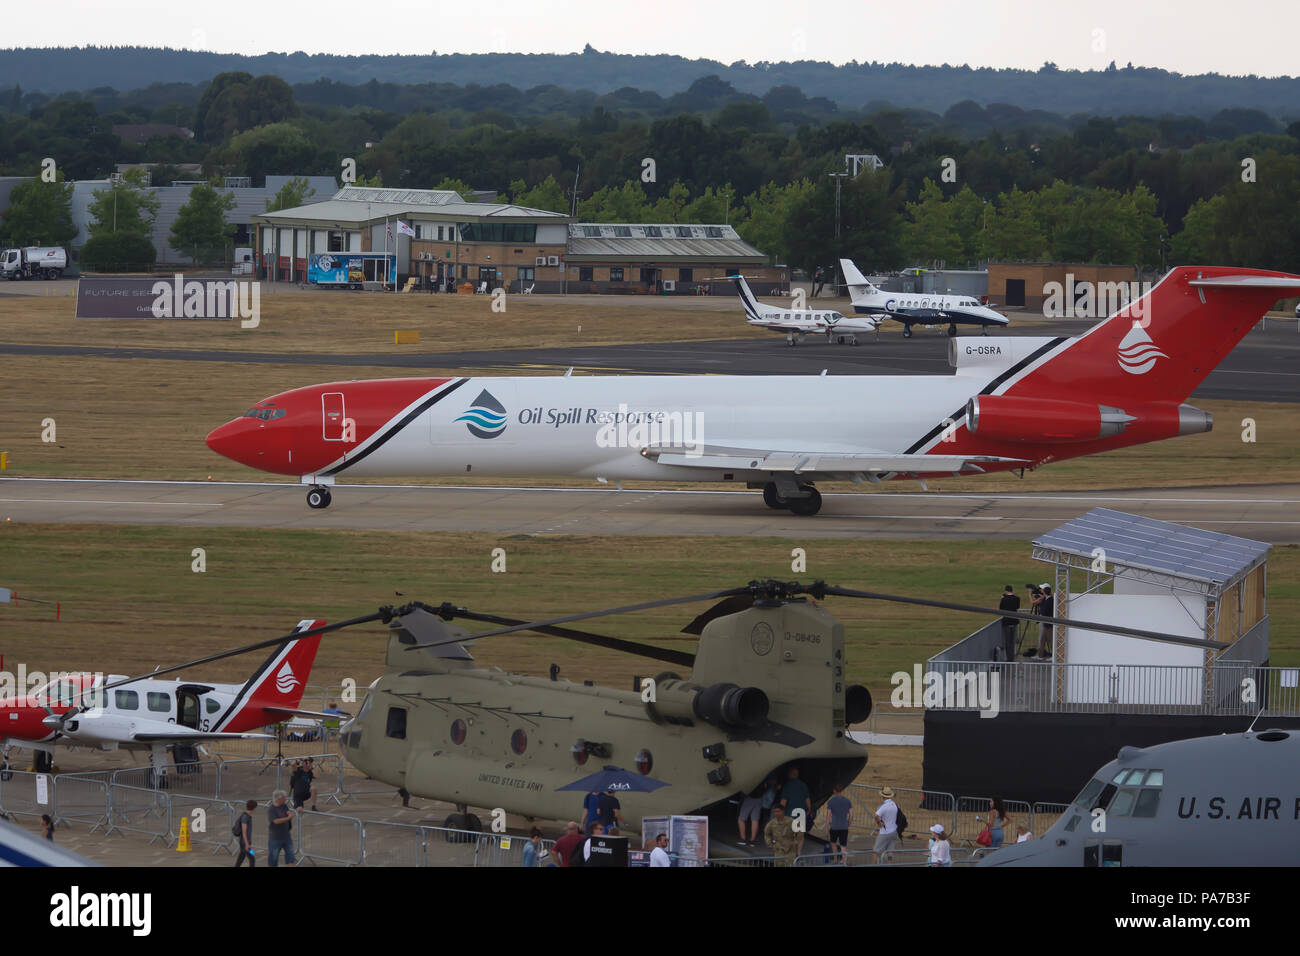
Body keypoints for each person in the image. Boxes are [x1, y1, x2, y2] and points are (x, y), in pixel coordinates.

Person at [779, 766, 811, 854]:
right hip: (801, 814)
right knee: (800, 835)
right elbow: (807, 799)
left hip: (790, 814)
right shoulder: (804, 785)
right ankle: (798, 853)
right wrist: (809, 809)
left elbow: (783, 801)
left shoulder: (787, 785)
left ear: (791, 774)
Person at [266, 790, 297, 866]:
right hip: (275, 838)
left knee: (291, 856)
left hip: (286, 836)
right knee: (274, 858)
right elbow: (275, 821)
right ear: (279, 799)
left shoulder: (284, 805)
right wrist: (288, 818)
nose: (285, 799)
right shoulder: (271, 809)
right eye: (284, 798)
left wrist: (290, 814)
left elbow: (287, 812)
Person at [825, 782, 853, 864]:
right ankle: (844, 862)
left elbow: (828, 816)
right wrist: (849, 824)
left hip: (834, 827)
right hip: (844, 827)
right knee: (843, 846)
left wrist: (826, 828)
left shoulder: (831, 802)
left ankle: (835, 860)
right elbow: (851, 815)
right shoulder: (848, 801)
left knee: (833, 844)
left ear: (834, 791)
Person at [873, 786, 900, 864]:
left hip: (885, 832)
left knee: (876, 851)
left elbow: (876, 815)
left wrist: (879, 823)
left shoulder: (884, 806)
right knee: (890, 851)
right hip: (894, 831)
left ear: (883, 796)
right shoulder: (895, 805)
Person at [998, 585, 1020, 662]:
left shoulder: (1004, 599)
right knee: (1013, 640)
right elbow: (1017, 607)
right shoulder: (1017, 598)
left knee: (1007, 641)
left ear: (1006, 591)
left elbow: (1001, 608)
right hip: (1014, 621)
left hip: (1006, 621)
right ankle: (1012, 656)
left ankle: (1009, 657)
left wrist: (1002, 599)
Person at [235, 799, 257, 867]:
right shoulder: (245, 817)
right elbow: (244, 832)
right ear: (254, 808)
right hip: (244, 842)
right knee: (252, 858)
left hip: (245, 842)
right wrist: (247, 844)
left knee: (242, 857)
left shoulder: (247, 816)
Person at [1036, 585, 1055, 658]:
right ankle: (1040, 655)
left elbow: (1044, 611)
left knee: (1050, 641)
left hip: (1048, 624)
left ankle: (1053, 656)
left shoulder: (1049, 600)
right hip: (1046, 624)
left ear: (1044, 592)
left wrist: (1041, 603)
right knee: (1042, 640)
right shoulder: (1047, 599)